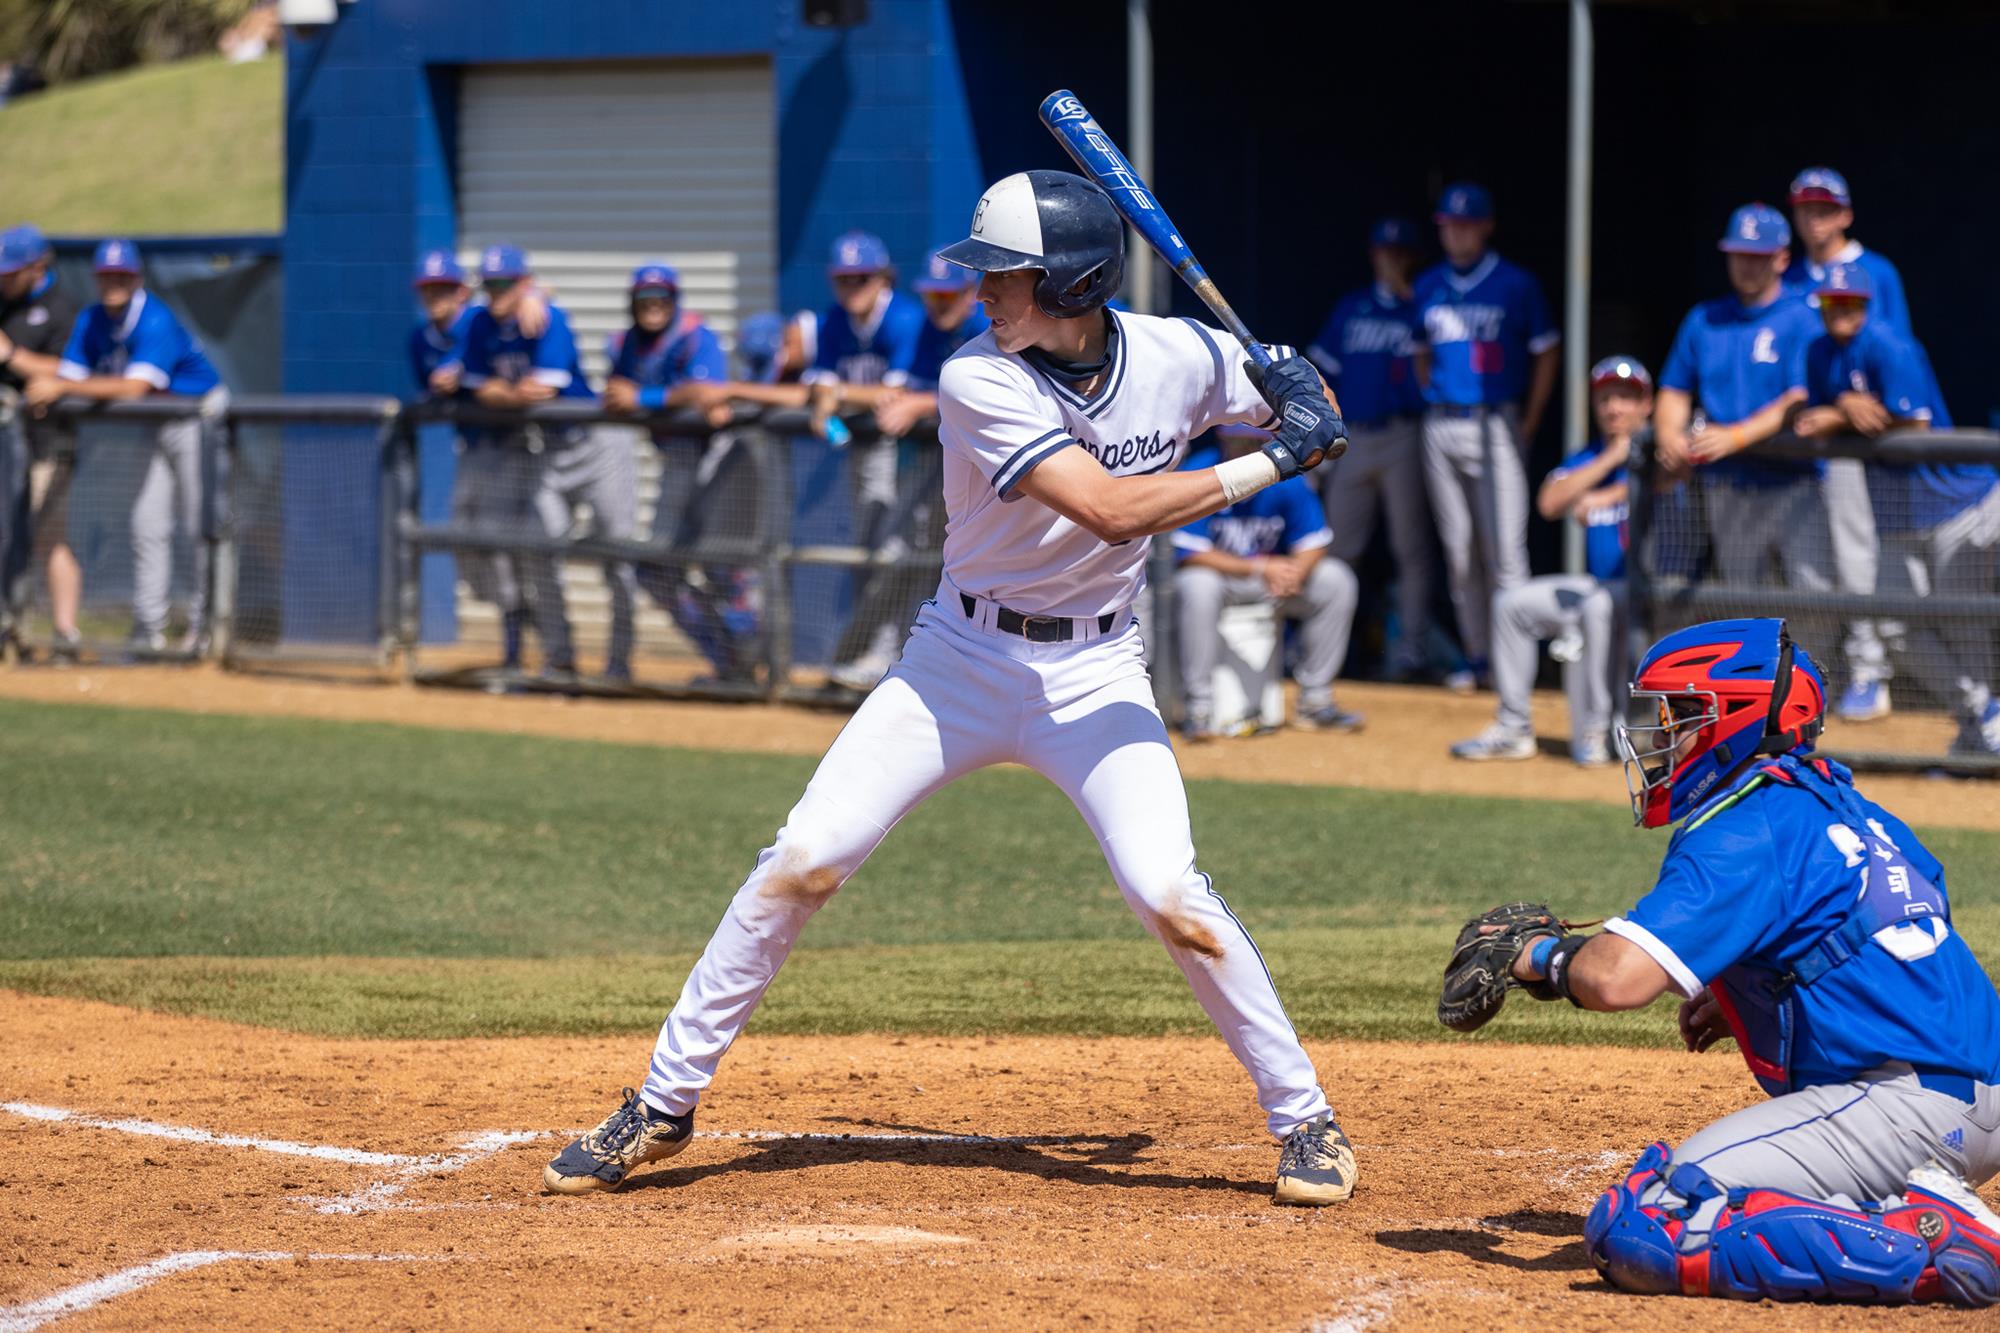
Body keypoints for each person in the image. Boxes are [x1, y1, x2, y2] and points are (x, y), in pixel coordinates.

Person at [543, 168, 1361, 1208]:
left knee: (1168, 892)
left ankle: (1306, 1121)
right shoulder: (978, 377)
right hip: (956, 664)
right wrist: (1270, 457)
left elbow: (1319, 417)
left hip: (1097, 669)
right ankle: (663, 1099)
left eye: (1006, 277)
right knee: (803, 857)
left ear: (1072, 284)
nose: (984, 295)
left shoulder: (1183, 353)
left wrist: (1296, 384)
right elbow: (1108, 512)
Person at [1455, 618, 2000, 1309]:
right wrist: (1759, 991)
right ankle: (1910, 1205)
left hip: (1902, 1108)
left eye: (1683, 714)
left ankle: (1936, 1240)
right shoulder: (1861, 814)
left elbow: (1614, 978)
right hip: (1975, 1094)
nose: (1664, 736)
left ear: (1737, 718)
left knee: (1648, 1223)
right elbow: (1896, 935)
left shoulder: (1747, 822)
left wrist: (1539, 956)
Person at [1794, 263, 2000, 756]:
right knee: (1891, 624)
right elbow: (1812, 418)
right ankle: (1982, 713)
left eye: (1848, 302)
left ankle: (1979, 733)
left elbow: (1917, 430)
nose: (1838, 310)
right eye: (1829, 302)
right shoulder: (1820, 353)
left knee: (1960, 619)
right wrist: (1846, 409)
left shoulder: (1891, 345)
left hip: (1957, 502)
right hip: (1898, 516)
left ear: (1866, 305)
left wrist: (1845, 413)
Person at [1450, 355, 1650, 766]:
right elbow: (1550, 501)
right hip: (1602, 585)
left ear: (1646, 405)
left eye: (1626, 399)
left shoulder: (1657, 450)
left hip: (1653, 590)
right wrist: (1611, 460)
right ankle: (1513, 727)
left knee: (1595, 606)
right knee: (1511, 604)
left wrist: (1605, 496)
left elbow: (1661, 485)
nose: (1615, 407)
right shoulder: (1591, 456)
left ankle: (1595, 733)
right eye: (1606, 398)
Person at [25, 239, 221, 654]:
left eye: (122, 275)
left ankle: (208, 629)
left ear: (137, 277)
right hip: (151, 423)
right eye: (106, 275)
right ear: (96, 278)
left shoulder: (155, 318)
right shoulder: (92, 318)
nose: (113, 282)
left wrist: (59, 386)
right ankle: (148, 629)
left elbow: (133, 388)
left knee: (200, 524)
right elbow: (71, 373)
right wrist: (56, 382)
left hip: (196, 419)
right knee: (145, 524)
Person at [1654, 205, 1831, 656]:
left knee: (1813, 597)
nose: (1746, 263)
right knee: (1742, 601)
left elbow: (1798, 398)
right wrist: (1669, 435)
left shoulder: (1801, 315)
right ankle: (1755, 701)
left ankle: (1816, 694)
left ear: (1781, 259)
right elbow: (1674, 388)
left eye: (1758, 254)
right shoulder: (1705, 318)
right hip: (1728, 486)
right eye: (1739, 254)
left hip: (1794, 483)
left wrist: (1735, 436)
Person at [1412, 183, 1560, 693]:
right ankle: (1480, 659)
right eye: (1449, 224)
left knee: (1507, 555)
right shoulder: (1428, 283)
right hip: (1441, 422)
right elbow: (1419, 349)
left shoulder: (1515, 283)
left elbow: (1547, 349)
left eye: (1466, 223)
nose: (1457, 232)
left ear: (1486, 226)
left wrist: (1531, 417)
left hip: (1496, 417)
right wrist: (1428, 386)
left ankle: (1514, 668)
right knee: (1459, 553)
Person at [1783, 168, 1916, 726]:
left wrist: (1840, 410)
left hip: (1851, 448)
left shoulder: (1875, 271)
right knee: (1810, 575)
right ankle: (1821, 676)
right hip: (1795, 444)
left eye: (1823, 208)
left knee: (1863, 561)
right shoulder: (1785, 274)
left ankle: (1869, 670)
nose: (1814, 218)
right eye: (1805, 209)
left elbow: (1892, 358)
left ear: (1844, 214)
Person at [826, 250, 992, 692]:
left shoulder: (984, 323)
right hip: (942, 470)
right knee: (914, 559)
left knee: (972, 567)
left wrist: (921, 404)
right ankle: (901, 659)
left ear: (968, 293)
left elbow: (998, 396)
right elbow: (905, 391)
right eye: (931, 294)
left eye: (947, 294)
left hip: (999, 477)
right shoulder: (926, 329)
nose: (938, 303)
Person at [601, 262, 753, 685]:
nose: (652, 306)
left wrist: (644, 397)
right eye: (644, 299)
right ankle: (728, 659)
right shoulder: (625, 344)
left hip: (718, 460)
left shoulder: (695, 335)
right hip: (675, 462)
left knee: (725, 567)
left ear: (674, 299)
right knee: (656, 569)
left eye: (660, 298)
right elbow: (614, 395)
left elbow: (708, 394)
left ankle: (756, 661)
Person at [455, 244, 600, 680]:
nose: (496, 291)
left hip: (587, 441)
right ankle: (555, 655)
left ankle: (615, 664)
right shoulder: (479, 321)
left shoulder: (545, 315)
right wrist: (507, 393)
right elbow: (479, 386)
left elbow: (545, 387)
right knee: (535, 553)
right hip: (535, 452)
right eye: (489, 284)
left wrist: (537, 294)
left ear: (523, 283)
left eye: (506, 283)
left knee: (619, 549)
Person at [1305, 217, 1435, 681]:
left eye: (1400, 253)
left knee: (1410, 549)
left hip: (1405, 434)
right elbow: (1319, 373)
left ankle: (1412, 654)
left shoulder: (1424, 306)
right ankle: (1325, 660)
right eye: (1385, 252)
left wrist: (1409, 293)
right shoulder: (1353, 307)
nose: (1391, 260)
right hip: (1354, 436)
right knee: (1337, 548)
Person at [1174, 422, 1360, 736]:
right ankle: (1199, 706)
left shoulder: (1283, 474)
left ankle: (1315, 701)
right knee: (1197, 584)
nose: (1244, 449)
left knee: (1335, 580)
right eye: (1239, 441)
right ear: (1222, 438)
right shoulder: (1200, 471)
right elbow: (1189, 553)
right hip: (1223, 581)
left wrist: (1295, 572)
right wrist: (1262, 568)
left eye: (1252, 442)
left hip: (1272, 583)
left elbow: (1315, 542)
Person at [0, 224, 82, 658]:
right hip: (5, 445)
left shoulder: (62, 309)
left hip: (48, 441)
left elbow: (72, 372)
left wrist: (13, 356)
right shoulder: (2, 302)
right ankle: (13, 631)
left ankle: (64, 633)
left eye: (11, 271)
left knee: (49, 537)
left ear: (37, 267)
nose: (3, 278)